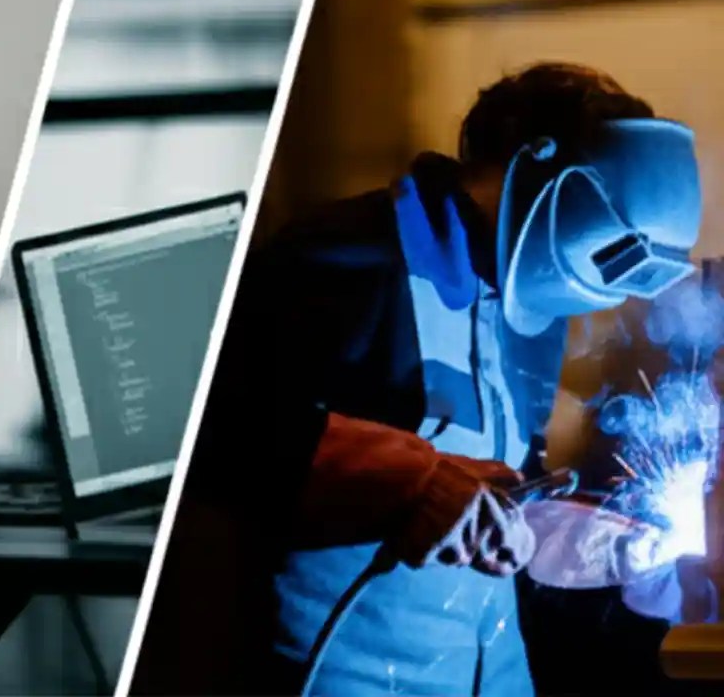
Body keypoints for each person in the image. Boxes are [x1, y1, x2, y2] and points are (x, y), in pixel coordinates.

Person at [130, 62, 703, 696]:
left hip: (491, 676)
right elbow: (219, 432)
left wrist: (589, 542)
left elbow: (505, 495)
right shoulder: (344, 261)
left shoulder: (529, 309)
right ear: (534, 168)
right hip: (340, 673)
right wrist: (409, 478)